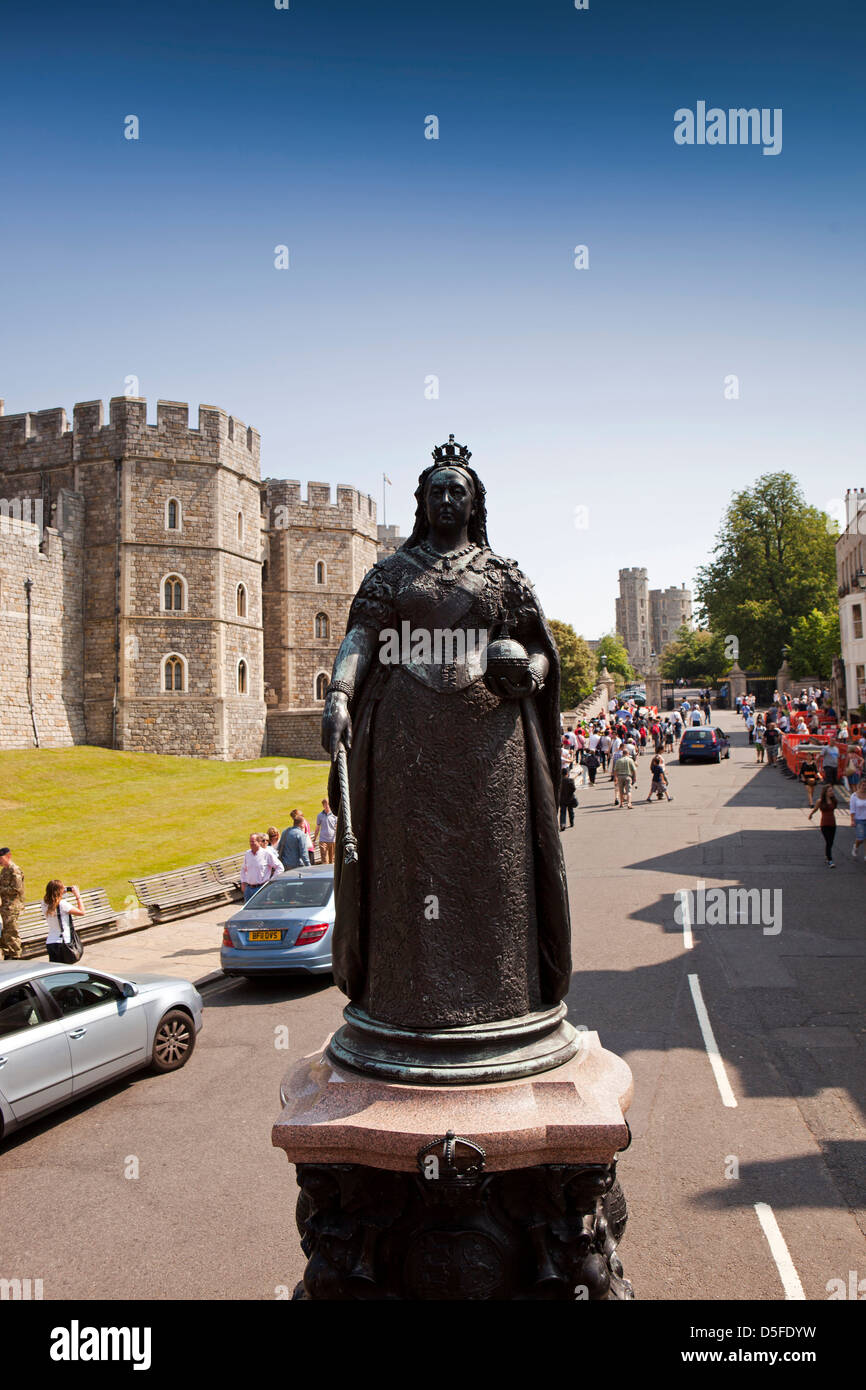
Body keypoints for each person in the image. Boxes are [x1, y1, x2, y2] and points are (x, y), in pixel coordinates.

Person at [320, 449, 571, 1027]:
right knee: (411, 865)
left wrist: (530, 673)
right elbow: (361, 635)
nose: (447, 500)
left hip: (491, 739)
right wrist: (338, 692)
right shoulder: (393, 571)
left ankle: (505, 995)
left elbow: (540, 648)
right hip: (408, 736)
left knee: (494, 860)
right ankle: (405, 998)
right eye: (436, 492)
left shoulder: (502, 575)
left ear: (474, 502)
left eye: (457, 491)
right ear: (422, 503)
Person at [43, 880, 86, 962]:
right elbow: (82, 912)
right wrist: (78, 896)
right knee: (66, 967)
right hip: (64, 942)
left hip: (51, 942)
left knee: (56, 969)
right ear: (59, 891)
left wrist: (61, 891)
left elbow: (52, 899)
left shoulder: (44, 904)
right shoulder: (63, 904)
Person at [0, 847, 26, 961]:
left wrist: (0, 889)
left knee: (11, 933)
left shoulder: (14, 870)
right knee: (5, 934)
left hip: (12, 907)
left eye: (1, 858)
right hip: (5, 907)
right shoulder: (4, 870)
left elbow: (16, 888)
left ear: (8, 856)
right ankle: (8, 955)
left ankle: (16, 957)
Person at [241, 832, 281, 902]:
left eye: (253, 841)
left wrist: (271, 881)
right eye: (250, 841)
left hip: (261, 888)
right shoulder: (247, 854)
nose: (251, 843)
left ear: (259, 842)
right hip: (248, 889)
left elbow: (280, 867)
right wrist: (243, 882)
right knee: (248, 912)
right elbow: (243, 869)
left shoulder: (266, 854)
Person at [809, 783, 838, 866]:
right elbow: (815, 809)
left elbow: (834, 807)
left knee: (831, 842)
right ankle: (830, 860)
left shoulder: (834, 800)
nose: (832, 792)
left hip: (833, 823)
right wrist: (811, 814)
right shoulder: (820, 801)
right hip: (824, 824)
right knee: (828, 842)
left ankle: (827, 856)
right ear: (825, 792)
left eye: (832, 790)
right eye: (830, 791)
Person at [314, 798, 338, 865]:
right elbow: (317, 827)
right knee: (324, 860)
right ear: (323, 806)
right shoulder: (320, 815)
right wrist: (315, 838)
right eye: (325, 805)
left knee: (332, 860)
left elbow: (337, 827)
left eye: (328, 804)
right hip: (323, 840)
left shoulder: (335, 815)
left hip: (333, 840)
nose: (327, 806)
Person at [849, 780, 866, 859]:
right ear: (859, 785)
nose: (864, 787)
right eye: (863, 785)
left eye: (865, 785)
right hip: (859, 820)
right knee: (861, 838)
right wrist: (852, 820)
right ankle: (855, 846)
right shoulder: (854, 796)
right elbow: (852, 809)